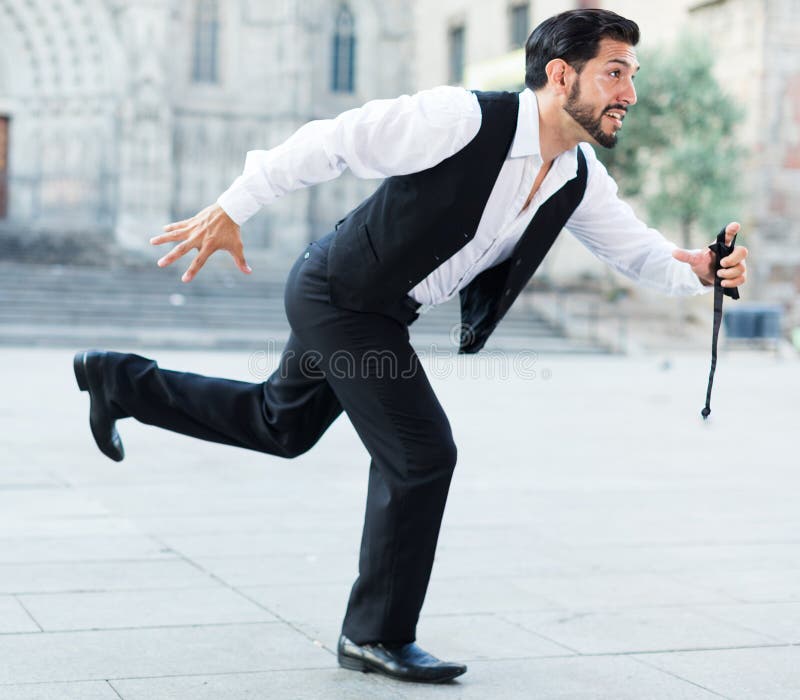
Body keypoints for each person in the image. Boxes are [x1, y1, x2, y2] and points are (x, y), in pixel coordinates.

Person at [73, 9, 748, 684]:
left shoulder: (577, 176)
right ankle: (375, 635)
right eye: (615, 72)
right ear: (561, 74)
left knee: (280, 425)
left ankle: (119, 381)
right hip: (336, 292)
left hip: (381, 310)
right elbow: (334, 140)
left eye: (633, 74)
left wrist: (694, 269)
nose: (630, 91)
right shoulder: (461, 119)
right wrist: (233, 206)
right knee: (423, 453)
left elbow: (635, 250)